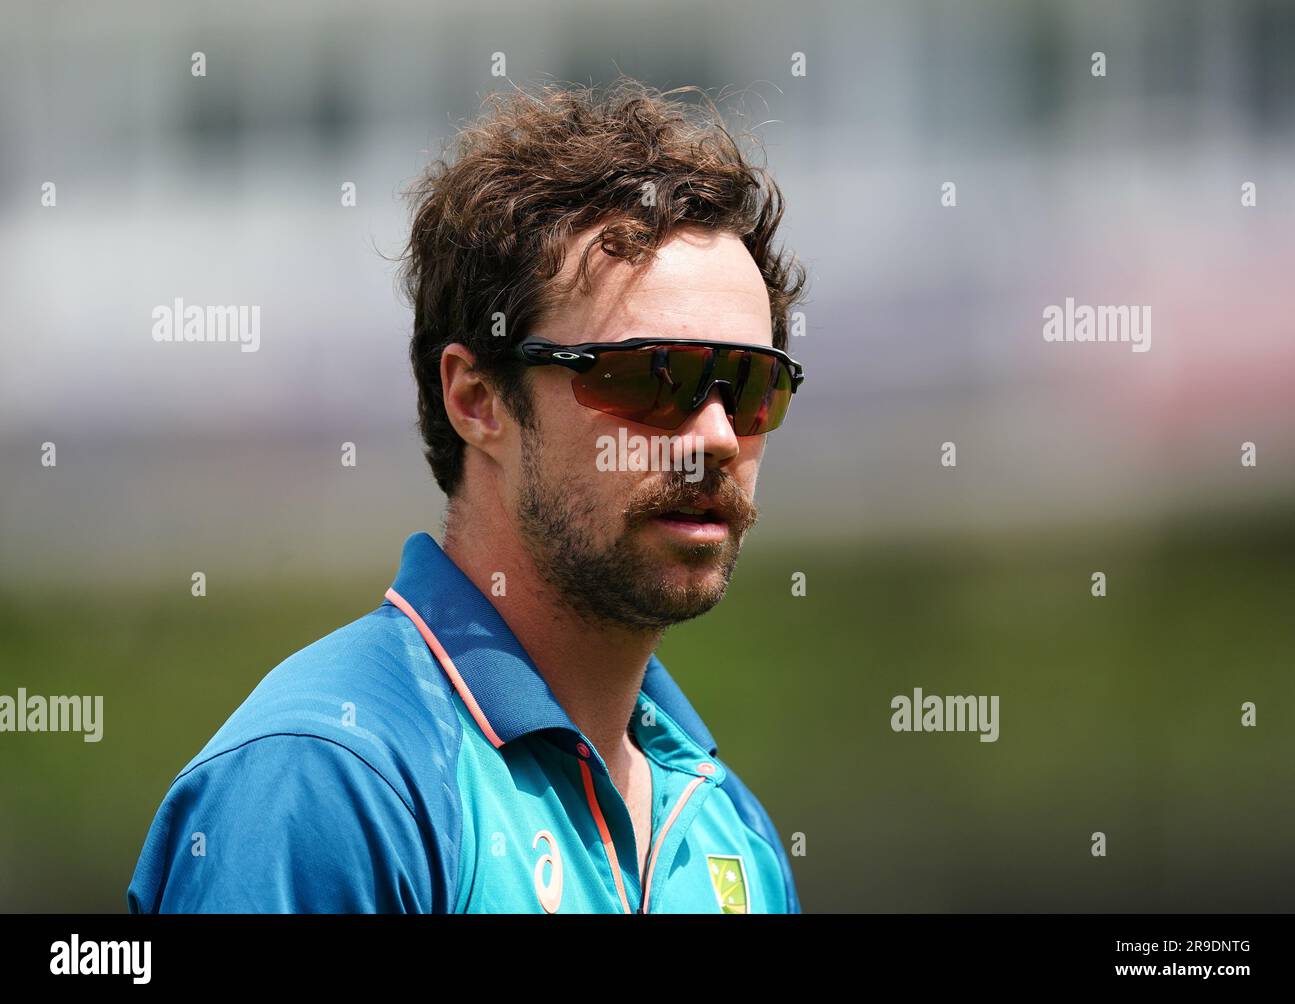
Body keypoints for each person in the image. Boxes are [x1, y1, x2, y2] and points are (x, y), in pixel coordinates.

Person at [128, 78, 807, 913]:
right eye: (648, 377)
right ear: (478, 400)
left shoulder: (729, 832)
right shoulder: (326, 783)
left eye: (749, 385)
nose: (712, 438)